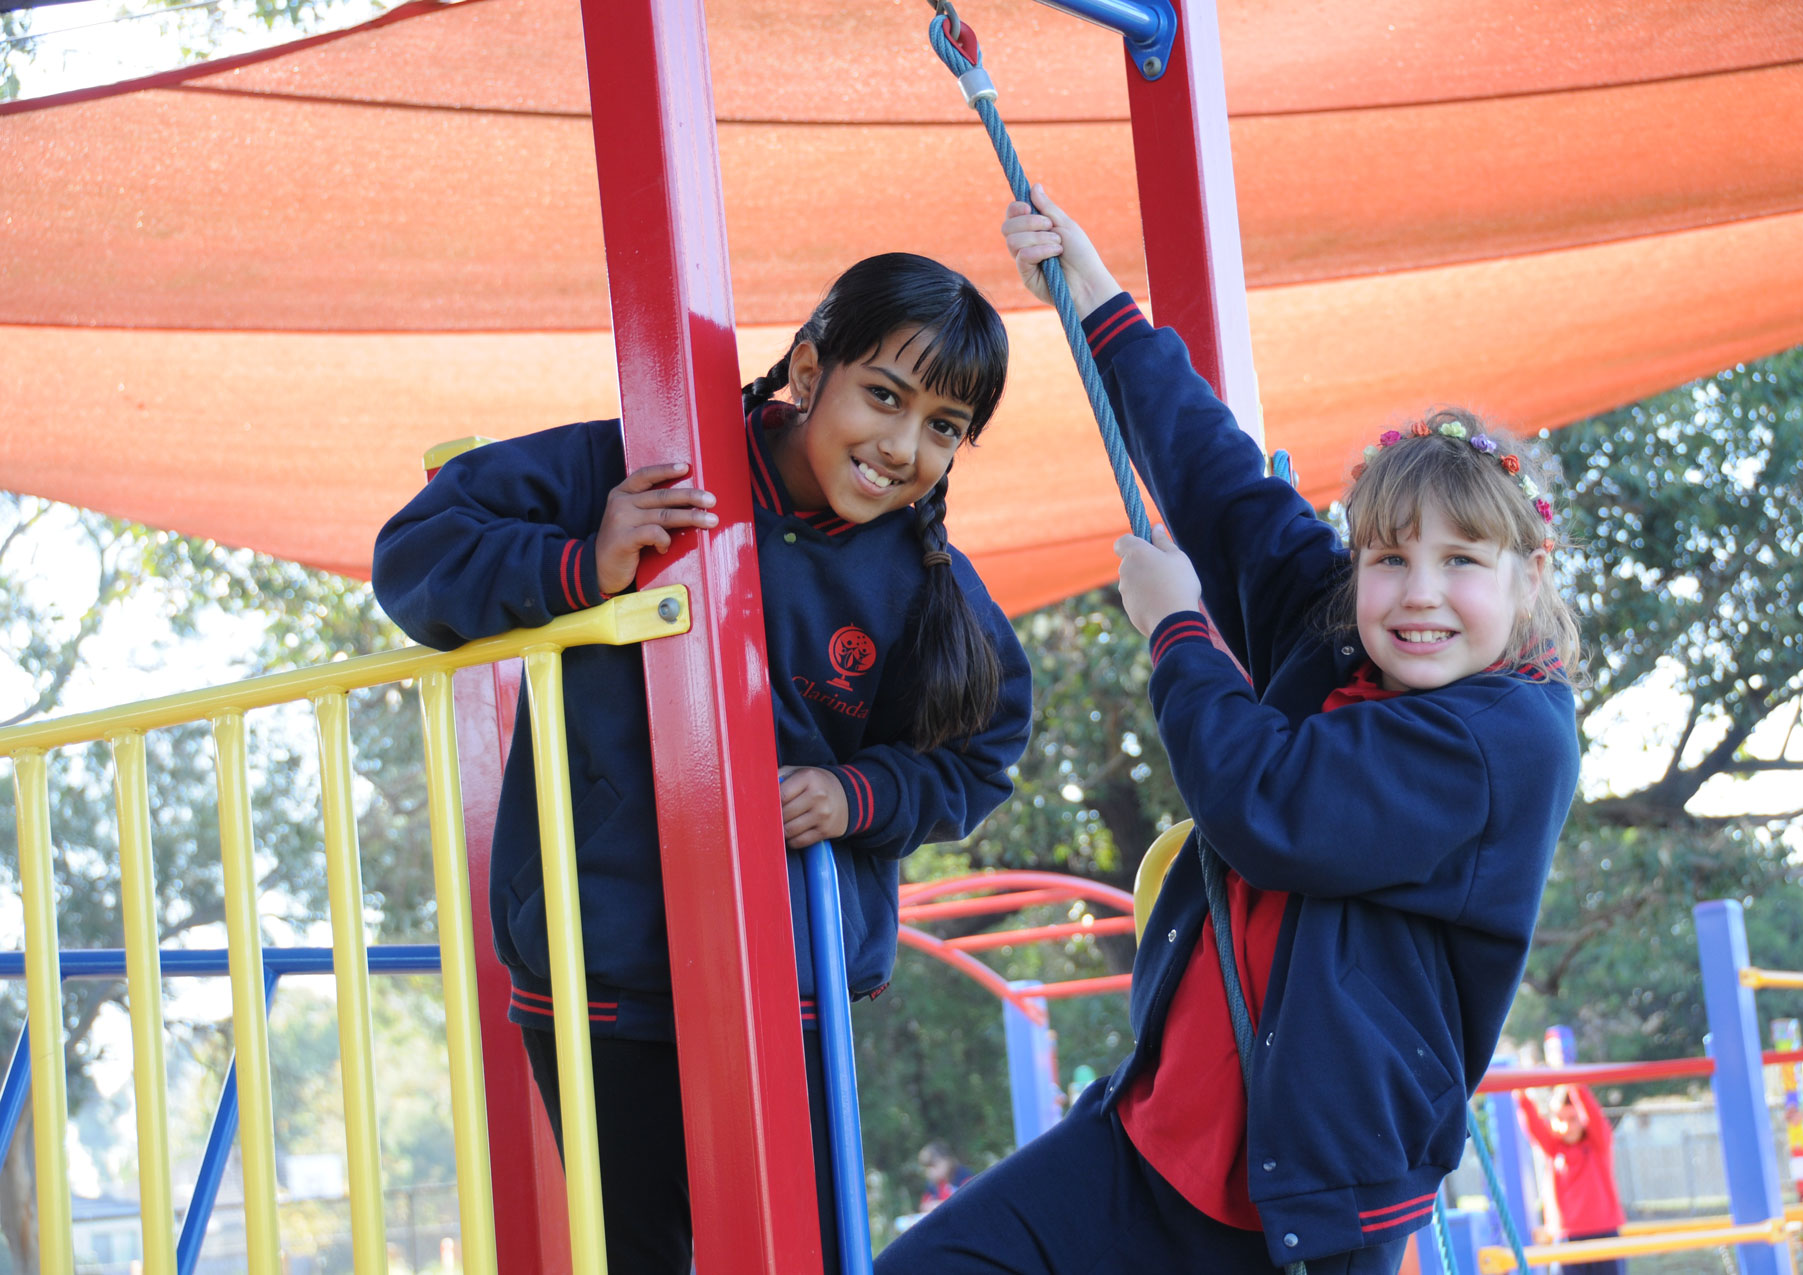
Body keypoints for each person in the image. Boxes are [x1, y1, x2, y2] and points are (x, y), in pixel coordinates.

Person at [875, 190, 1583, 1275]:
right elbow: (1223, 487)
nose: (1418, 594)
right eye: (1388, 558)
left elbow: (1272, 804)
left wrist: (1178, 632)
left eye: (1461, 563)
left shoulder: (1502, 738)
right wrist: (1101, 299)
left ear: (1528, 578)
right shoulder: (1342, 628)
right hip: (1151, 1140)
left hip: (1299, 1206)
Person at [372, 253, 1033, 1274]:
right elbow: (416, 552)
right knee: (642, 1255)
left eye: (944, 426)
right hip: (602, 967)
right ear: (809, 370)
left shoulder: (922, 575)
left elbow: (985, 748)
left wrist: (861, 795)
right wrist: (579, 566)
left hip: (792, 976)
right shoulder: (642, 465)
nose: (903, 447)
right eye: (885, 397)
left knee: (794, 1250)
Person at [1518, 1035, 1626, 1274]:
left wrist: (1568, 1076)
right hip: (1567, 1235)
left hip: (1603, 1233)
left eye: (1573, 1119)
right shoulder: (1554, 1149)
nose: (1567, 1126)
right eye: (1560, 1119)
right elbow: (1532, 1122)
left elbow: (1591, 1112)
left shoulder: (1598, 1144)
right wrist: (1523, 1085)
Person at [918, 1141, 976, 1212]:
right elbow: (924, 1205)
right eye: (927, 1168)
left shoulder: (964, 1176)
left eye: (933, 1166)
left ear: (947, 1160)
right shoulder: (934, 1184)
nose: (930, 1172)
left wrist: (941, 1204)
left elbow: (969, 1201)